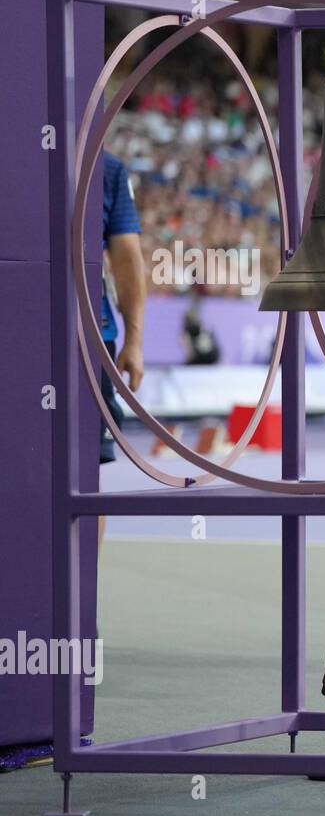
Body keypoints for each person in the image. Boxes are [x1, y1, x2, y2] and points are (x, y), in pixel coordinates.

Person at [100, 152, 148, 545]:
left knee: (85, 475)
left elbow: (127, 258)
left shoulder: (108, 169)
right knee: (83, 474)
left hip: (89, 336)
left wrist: (132, 340)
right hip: (86, 337)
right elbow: (127, 258)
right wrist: (132, 340)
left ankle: (80, 596)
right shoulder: (108, 168)